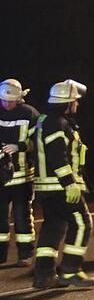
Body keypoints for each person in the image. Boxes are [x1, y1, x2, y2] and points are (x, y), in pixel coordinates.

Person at [32, 79, 93, 289]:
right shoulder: (57, 123)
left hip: (48, 187)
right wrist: (69, 183)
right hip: (60, 187)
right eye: (75, 100)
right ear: (67, 102)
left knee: (53, 227)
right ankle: (70, 270)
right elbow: (57, 156)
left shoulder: (46, 120)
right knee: (83, 223)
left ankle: (44, 275)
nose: (77, 104)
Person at [1, 79, 39, 266]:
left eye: (10, 101)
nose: (7, 104)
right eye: (4, 100)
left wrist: (20, 146)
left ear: (19, 98)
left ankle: (25, 254)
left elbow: (38, 141)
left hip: (23, 176)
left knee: (22, 215)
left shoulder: (30, 114)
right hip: (1, 177)